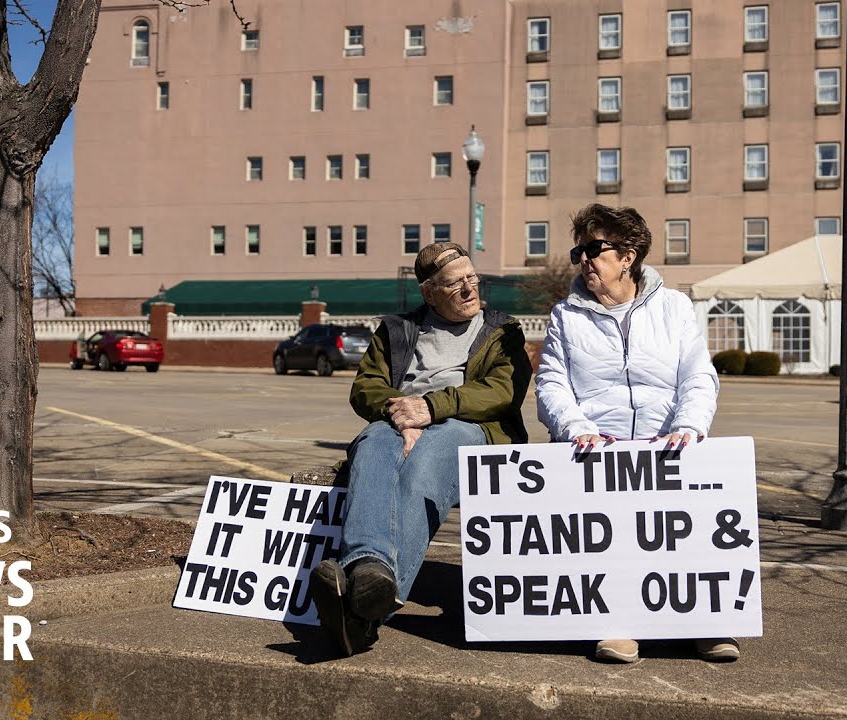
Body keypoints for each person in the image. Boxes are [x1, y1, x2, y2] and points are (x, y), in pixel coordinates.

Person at [311, 241, 533, 656]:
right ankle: (368, 568)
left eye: (472, 279)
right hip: (401, 421)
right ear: (429, 293)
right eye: (455, 284)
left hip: (471, 428)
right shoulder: (397, 329)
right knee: (372, 443)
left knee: (433, 451)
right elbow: (365, 387)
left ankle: (365, 609)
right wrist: (399, 414)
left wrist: (431, 409)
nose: (469, 290)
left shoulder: (502, 330)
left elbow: (502, 392)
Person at [534, 203, 734, 664]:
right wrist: (575, 428)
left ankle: (707, 621)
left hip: (662, 448)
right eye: (579, 251)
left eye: (595, 249)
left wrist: (688, 427)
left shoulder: (675, 308)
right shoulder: (566, 316)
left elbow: (698, 377)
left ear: (629, 255)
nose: (585, 259)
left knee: (684, 532)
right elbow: (551, 384)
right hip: (595, 452)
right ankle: (618, 624)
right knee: (606, 538)